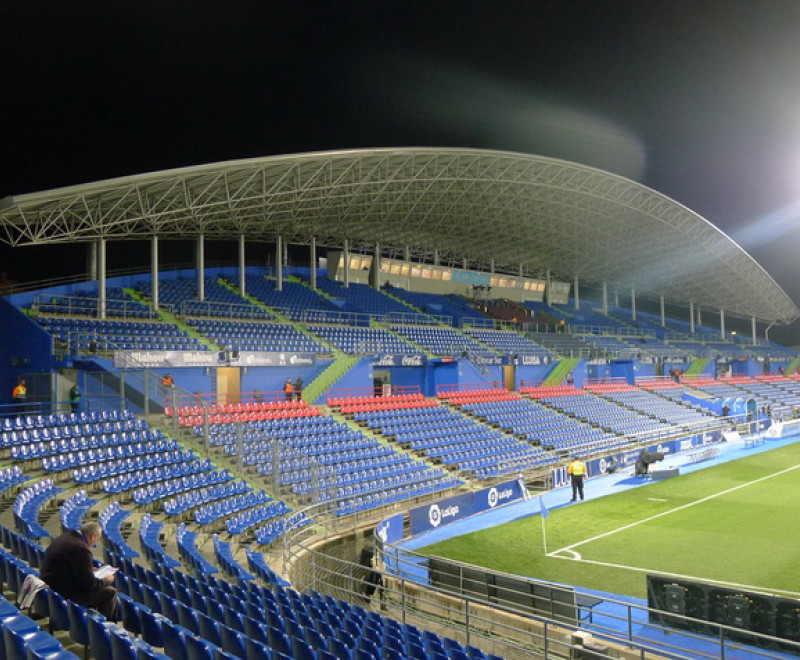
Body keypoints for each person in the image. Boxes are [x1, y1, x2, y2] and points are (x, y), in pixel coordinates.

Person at [40, 521, 118, 621]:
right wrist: (107, 580)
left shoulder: (65, 537)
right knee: (110, 592)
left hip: (52, 586)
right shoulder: (81, 549)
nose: (95, 544)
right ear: (93, 536)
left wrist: (87, 569)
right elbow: (89, 585)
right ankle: (106, 626)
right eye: (97, 539)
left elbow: (70, 564)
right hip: (64, 593)